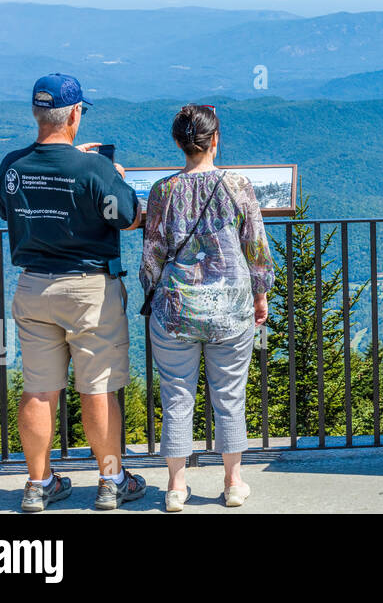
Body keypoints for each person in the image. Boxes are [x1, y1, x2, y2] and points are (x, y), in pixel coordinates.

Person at [0, 73, 147, 512]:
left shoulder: (12, 165)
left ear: (36, 113)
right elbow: (129, 217)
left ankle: (39, 484)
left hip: (33, 287)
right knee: (96, 388)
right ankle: (111, 479)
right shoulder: (94, 168)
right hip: (88, 290)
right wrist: (110, 176)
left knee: (39, 389)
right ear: (75, 114)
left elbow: (10, 207)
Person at [139, 104, 272, 511]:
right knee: (230, 396)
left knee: (177, 397)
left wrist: (152, 291)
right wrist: (260, 292)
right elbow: (256, 245)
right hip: (230, 310)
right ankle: (232, 482)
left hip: (175, 310)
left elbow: (153, 254)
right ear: (215, 140)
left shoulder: (164, 190)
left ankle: (176, 486)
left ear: (179, 143)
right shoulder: (237, 185)